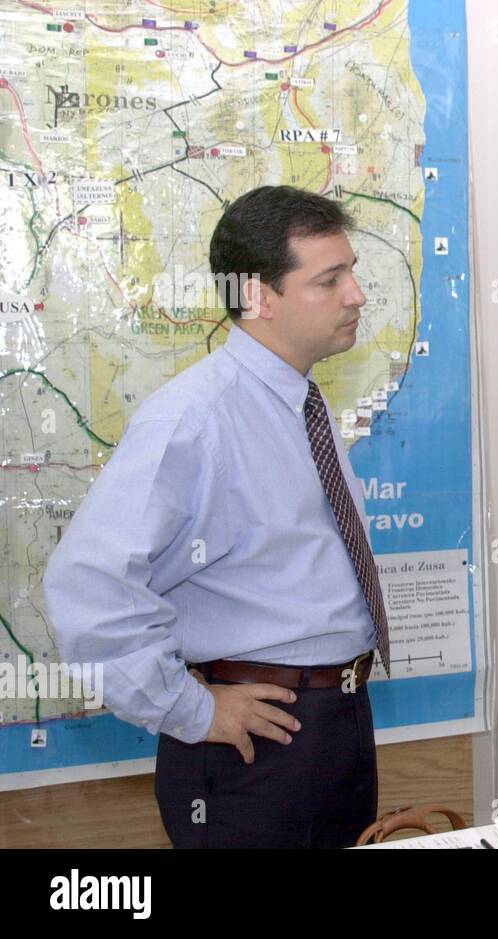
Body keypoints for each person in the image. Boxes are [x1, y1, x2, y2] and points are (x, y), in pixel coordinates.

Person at [43, 185, 386, 848]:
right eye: (330, 279)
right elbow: (85, 587)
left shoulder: (300, 404)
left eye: (353, 273)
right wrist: (190, 708)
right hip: (255, 749)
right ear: (259, 297)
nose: (357, 296)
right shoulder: (193, 420)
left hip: (337, 728)